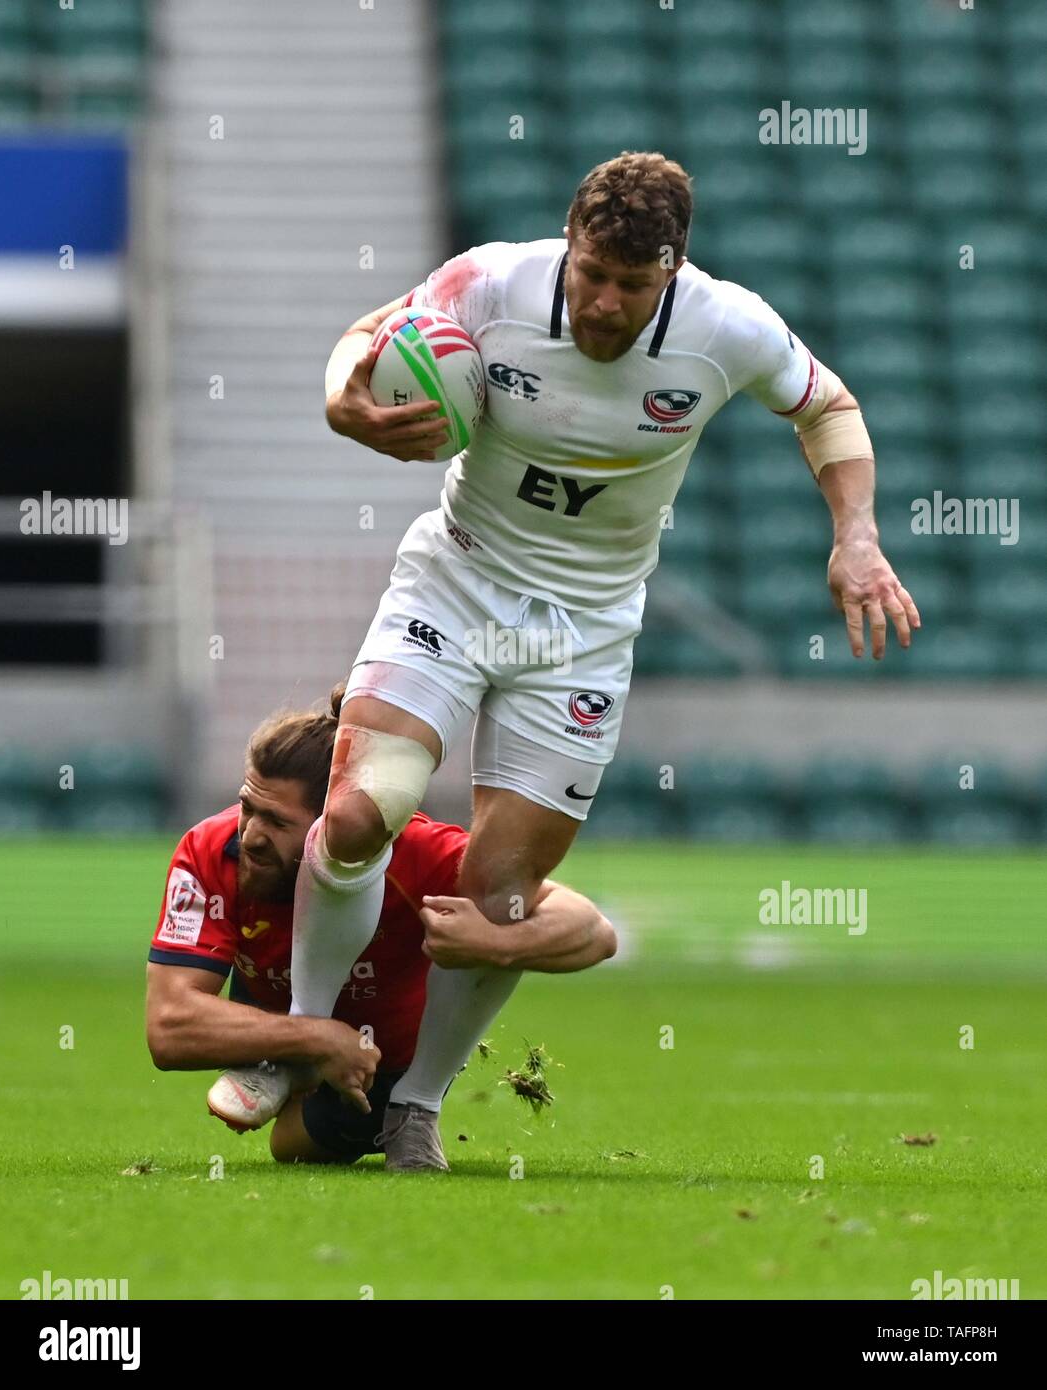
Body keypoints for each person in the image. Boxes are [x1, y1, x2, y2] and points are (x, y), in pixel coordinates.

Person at [297, 149, 920, 1171]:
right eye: (591, 272)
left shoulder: (729, 327)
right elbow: (373, 331)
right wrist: (340, 396)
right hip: (456, 582)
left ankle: (417, 1103)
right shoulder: (491, 280)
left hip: (583, 627)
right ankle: (303, 1037)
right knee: (365, 806)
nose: (600, 299)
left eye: (630, 285)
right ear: (570, 243)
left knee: (500, 890)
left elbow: (827, 408)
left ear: (671, 273)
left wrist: (854, 536)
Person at [145, 689, 616, 1169]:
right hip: (286, 1024)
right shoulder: (209, 848)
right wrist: (316, 1038)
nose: (250, 835)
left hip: (385, 1063)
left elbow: (594, 931)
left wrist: (495, 942)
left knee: (290, 1147)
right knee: (287, 1117)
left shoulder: (419, 852)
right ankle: (285, 1056)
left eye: (277, 822)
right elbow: (168, 1027)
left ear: (330, 826)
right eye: (248, 806)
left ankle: (411, 1107)